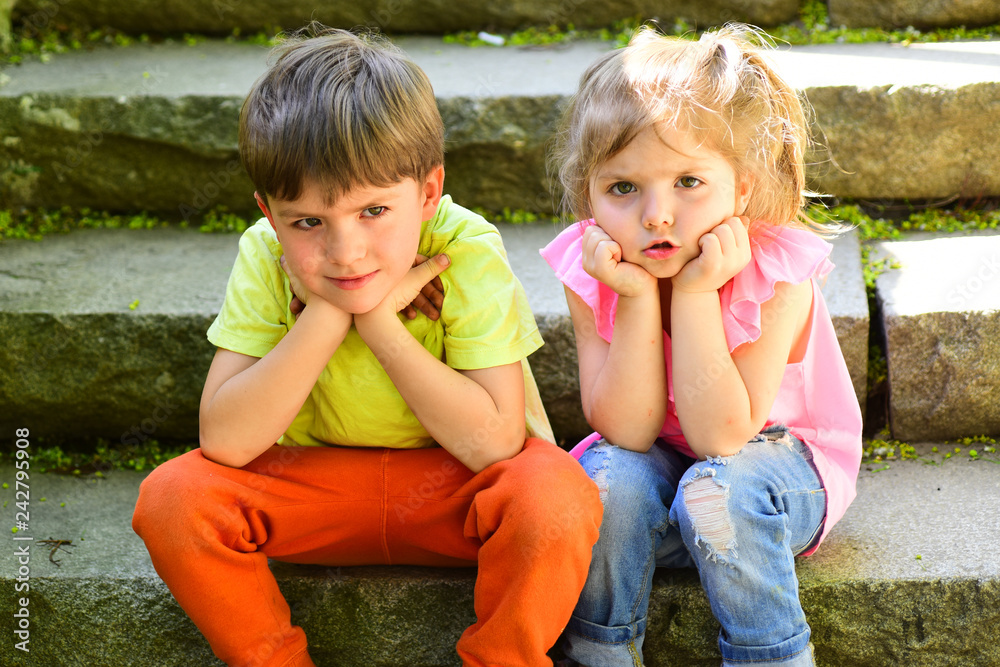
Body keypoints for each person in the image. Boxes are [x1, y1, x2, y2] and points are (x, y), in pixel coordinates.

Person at [132, 25, 602, 667]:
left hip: (456, 494)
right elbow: (228, 441)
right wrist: (330, 312)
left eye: (374, 212)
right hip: (308, 493)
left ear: (428, 192)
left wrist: (377, 323)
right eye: (308, 223)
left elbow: (493, 443)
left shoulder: (462, 249)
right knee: (173, 497)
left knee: (558, 493)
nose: (345, 251)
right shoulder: (264, 254)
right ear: (270, 213)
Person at [540, 24, 862, 667]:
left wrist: (691, 297)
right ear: (590, 198)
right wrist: (635, 299)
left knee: (717, 490)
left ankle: (770, 656)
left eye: (689, 182)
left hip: (773, 470)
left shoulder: (776, 271)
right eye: (623, 188)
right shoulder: (596, 266)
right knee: (604, 482)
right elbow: (626, 431)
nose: (657, 215)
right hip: (662, 470)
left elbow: (722, 437)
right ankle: (599, 652)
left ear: (741, 189)